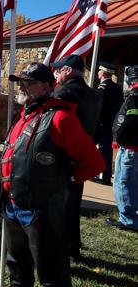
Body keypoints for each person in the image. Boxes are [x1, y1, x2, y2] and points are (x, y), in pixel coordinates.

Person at [0, 63, 104, 287]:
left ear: (45, 86)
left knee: (54, 282)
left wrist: (65, 180)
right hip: (14, 206)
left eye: (28, 83)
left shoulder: (61, 118)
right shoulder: (24, 115)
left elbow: (93, 163)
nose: (22, 88)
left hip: (42, 213)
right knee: (17, 262)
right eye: (21, 83)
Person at [51, 54, 103, 262]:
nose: (56, 73)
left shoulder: (63, 92)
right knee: (73, 205)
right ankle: (73, 247)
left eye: (59, 69)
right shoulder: (97, 95)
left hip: (61, 157)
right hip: (82, 155)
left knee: (58, 206)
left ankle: (62, 249)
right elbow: (102, 126)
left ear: (68, 71)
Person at [106, 65, 138, 231]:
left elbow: (131, 121)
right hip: (132, 147)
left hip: (131, 148)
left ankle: (128, 220)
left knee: (123, 183)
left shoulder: (135, 96)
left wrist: (119, 138)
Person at [96, 63, 124, 185]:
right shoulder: (117, 88)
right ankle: (106, 176)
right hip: (112, 123)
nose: (97, 73)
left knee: (101, 149)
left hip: (102, 123)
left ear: (103, 73)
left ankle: (99, 174)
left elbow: (99, 107)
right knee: (106, 150)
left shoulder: (102, 88)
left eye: (99, 71)